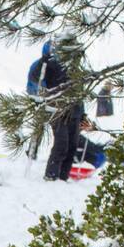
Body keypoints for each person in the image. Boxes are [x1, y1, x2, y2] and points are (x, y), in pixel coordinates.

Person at [35, 40, 83, 182]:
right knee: (61, 144)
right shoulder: (51, 64)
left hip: (75, 111)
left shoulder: (76, 69)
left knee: (72, 146)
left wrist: (83, 113)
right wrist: (43, 61)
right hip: (56, 110)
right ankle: (51, 176)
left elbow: (80, 92)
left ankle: (63, 178)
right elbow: (36, 77)